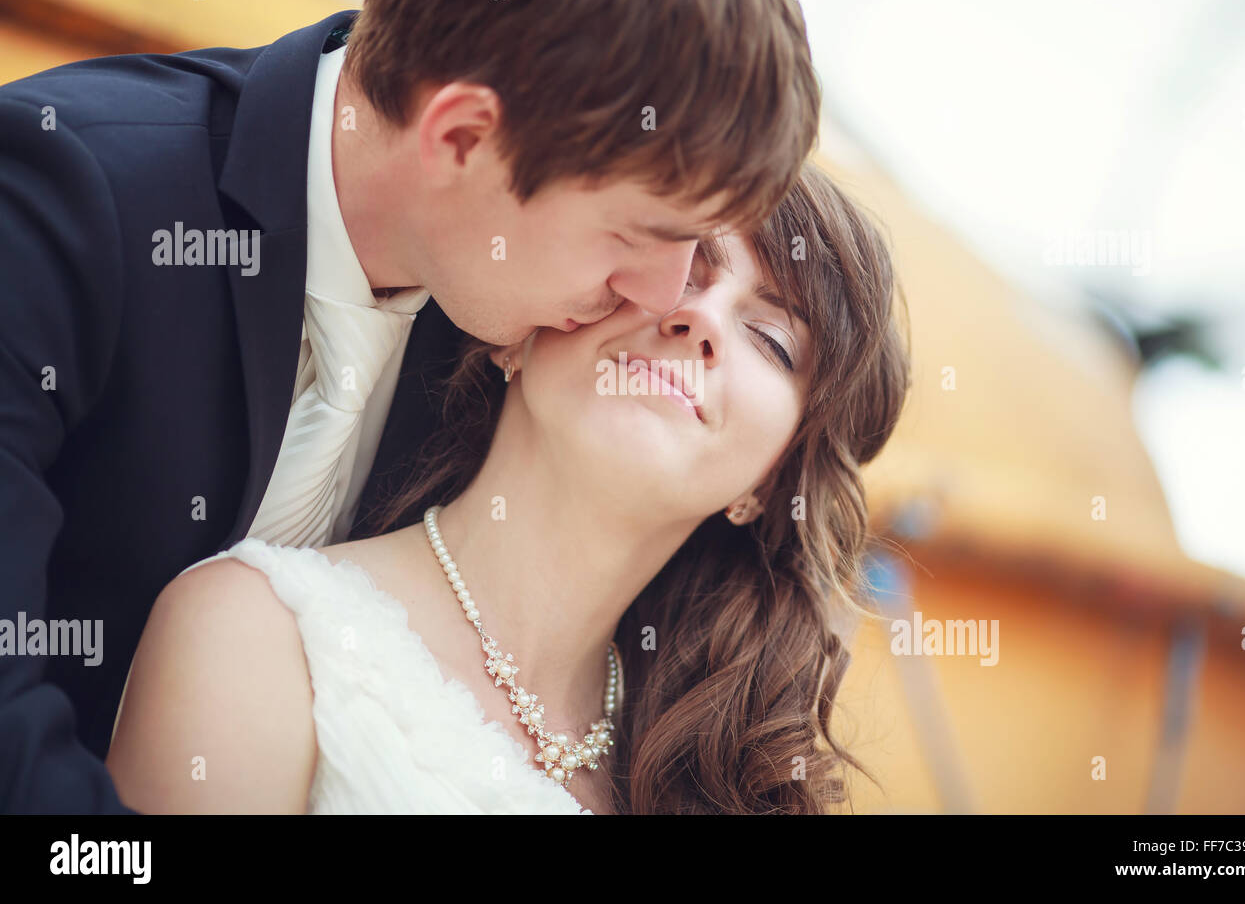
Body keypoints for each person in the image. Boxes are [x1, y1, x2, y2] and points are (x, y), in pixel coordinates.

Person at [0, 0, 820, 812]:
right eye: (638, 235)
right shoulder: (62, 198)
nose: (661, 295)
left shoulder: (508, 332)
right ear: (461, 138)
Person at [106, 164, 912, 814]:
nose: (700, 319)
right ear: (519, 340)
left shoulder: (723, 773)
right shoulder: (260, 634)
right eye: (677, 270)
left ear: (766, 486)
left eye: (769, 338)